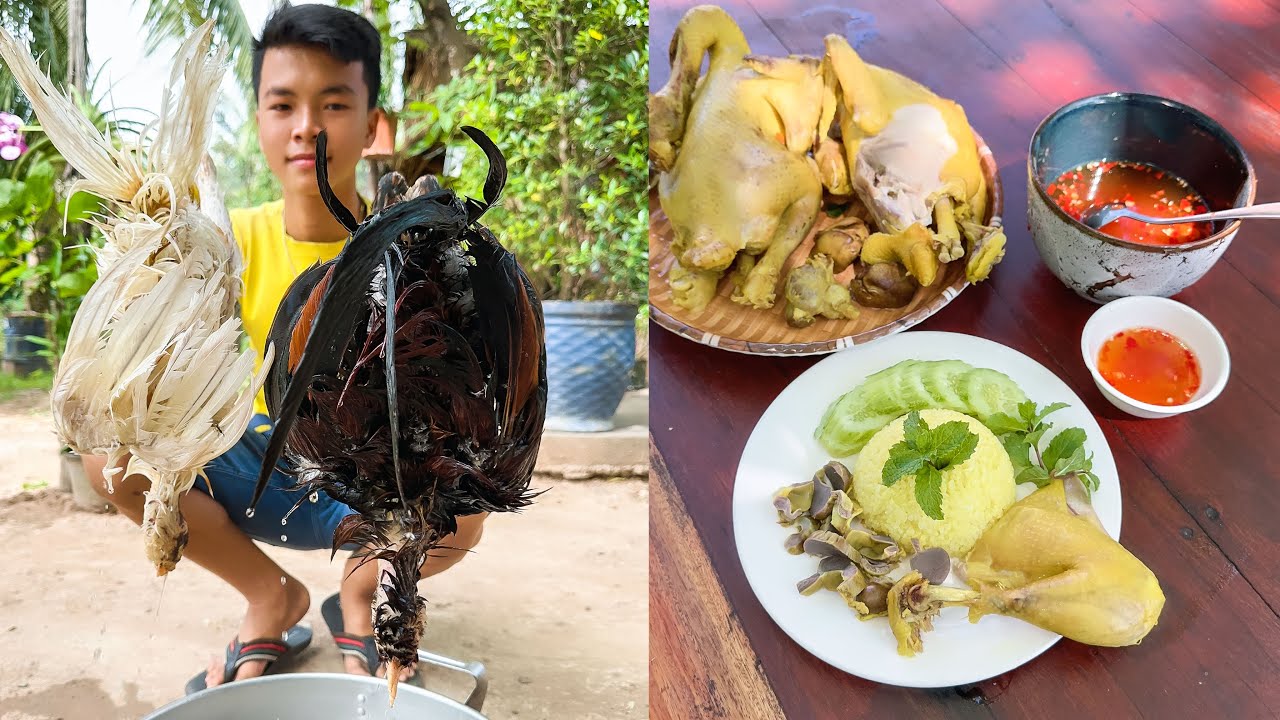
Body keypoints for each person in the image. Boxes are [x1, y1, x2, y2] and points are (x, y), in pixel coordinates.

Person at [81, 2, 488, 693]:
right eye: (283, 104)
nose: (306, 127)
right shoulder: (219, 242)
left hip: (365, 497)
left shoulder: (418, 255)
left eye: (333, 103)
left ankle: (360, 598)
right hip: (254, 475)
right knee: (112, 458)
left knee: (469, 501)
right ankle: (272, 596)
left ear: (372, 124)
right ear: (262, 120)